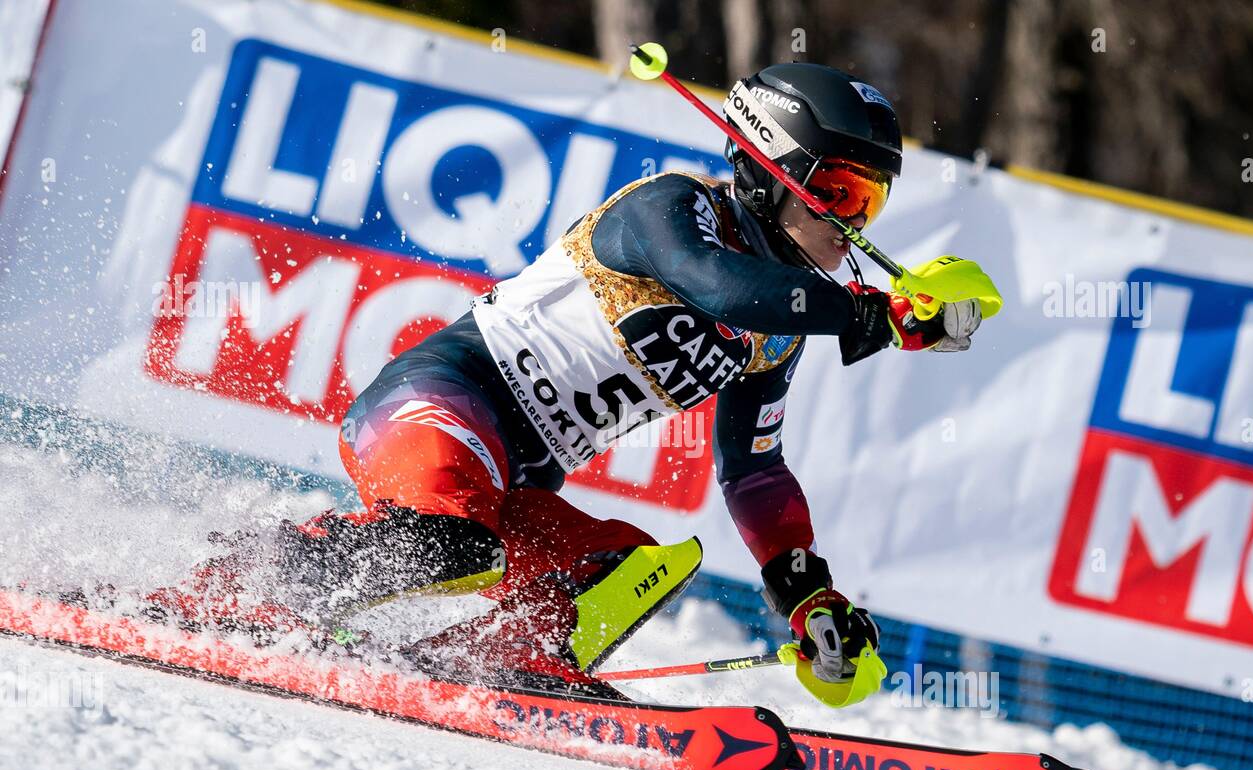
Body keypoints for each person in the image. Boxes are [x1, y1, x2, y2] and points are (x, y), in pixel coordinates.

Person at [154, 63, 994, 704]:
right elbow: (716, 284)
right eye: (839, 190)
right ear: (773, 171)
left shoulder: (786, 325)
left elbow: (755, 472)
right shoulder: (673, 207)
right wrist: (875, 316)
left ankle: (495, 660)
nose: (852, 222)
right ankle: (238, 586)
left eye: (870, 203)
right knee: (453, 547)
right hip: (438, 404)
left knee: (628, 570)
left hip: (510, 476)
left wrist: (809, 597)